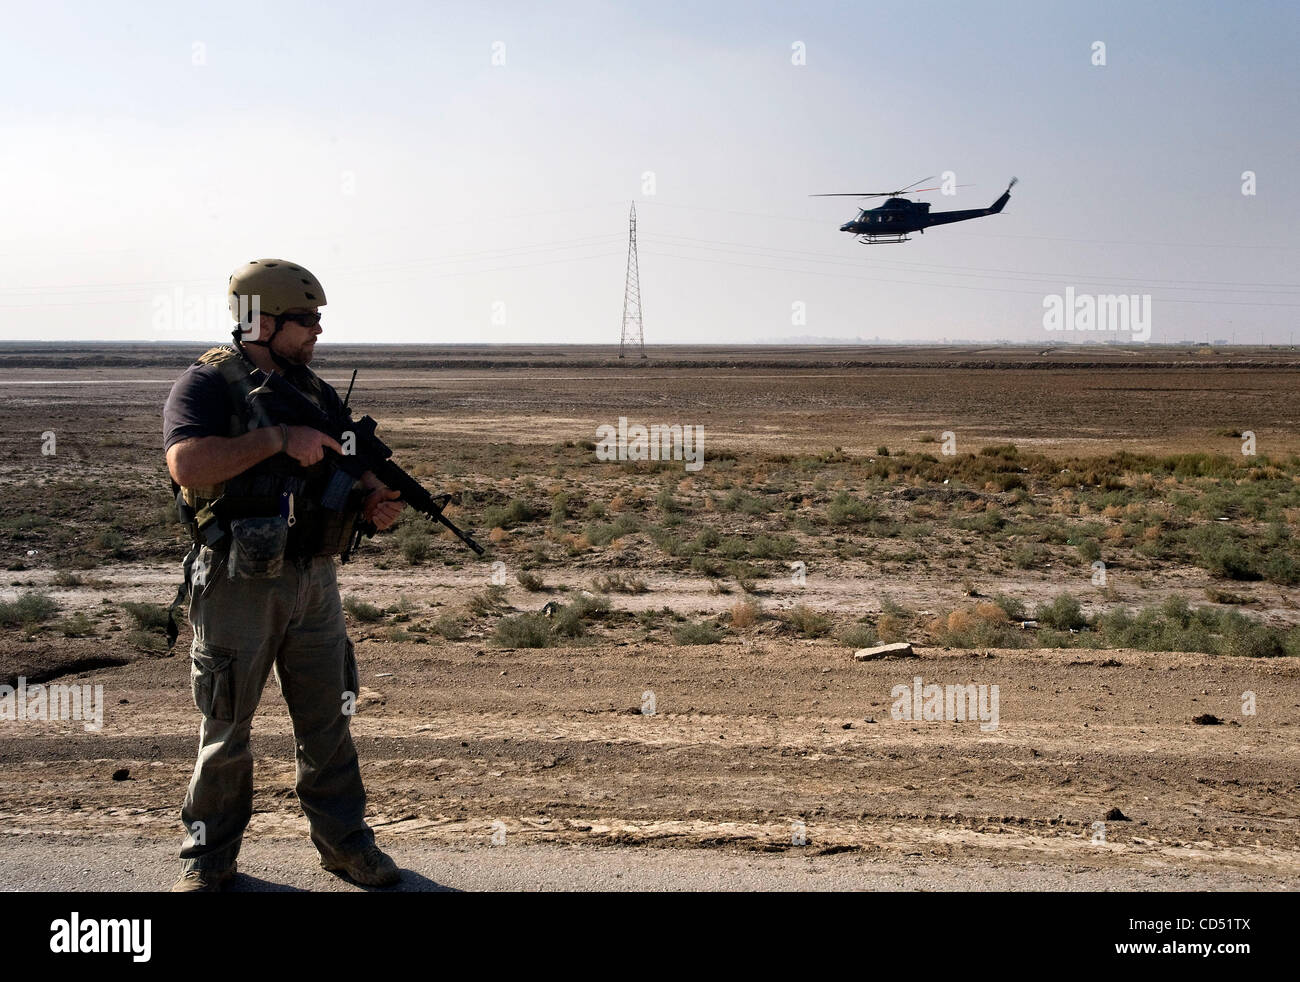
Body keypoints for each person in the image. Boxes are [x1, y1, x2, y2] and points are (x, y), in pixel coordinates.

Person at [163, 259, 404, 892]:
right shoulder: (206, 384)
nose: (317, 331)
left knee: (328, 721)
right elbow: (187, 464)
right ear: (262, 320)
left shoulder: (313, 390)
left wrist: (374, 499)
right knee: (227, 728)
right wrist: (277, 440)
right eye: (307, 320)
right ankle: (208, 859)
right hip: (239, 581)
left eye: (319, 319)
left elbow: (349, 457)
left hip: (314, 580)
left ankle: (347, 847)